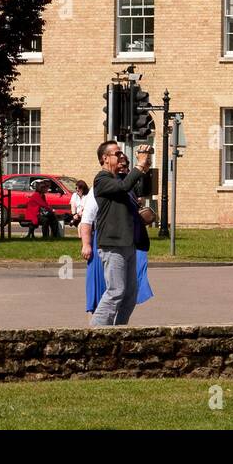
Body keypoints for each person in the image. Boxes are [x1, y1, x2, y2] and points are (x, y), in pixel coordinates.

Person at [84, 140, 153, 326]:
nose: (122, 156)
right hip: (113, 244)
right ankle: (95, 332)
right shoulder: (102, 179)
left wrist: (145, 166)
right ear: (105, 158)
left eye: (122, 153)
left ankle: (119, 333)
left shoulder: (120, 180)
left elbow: (138, 187)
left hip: (128, 243)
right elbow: (124, 187)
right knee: (115, 291)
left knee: (130, 295)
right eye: (117, 154)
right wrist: (138, 165)